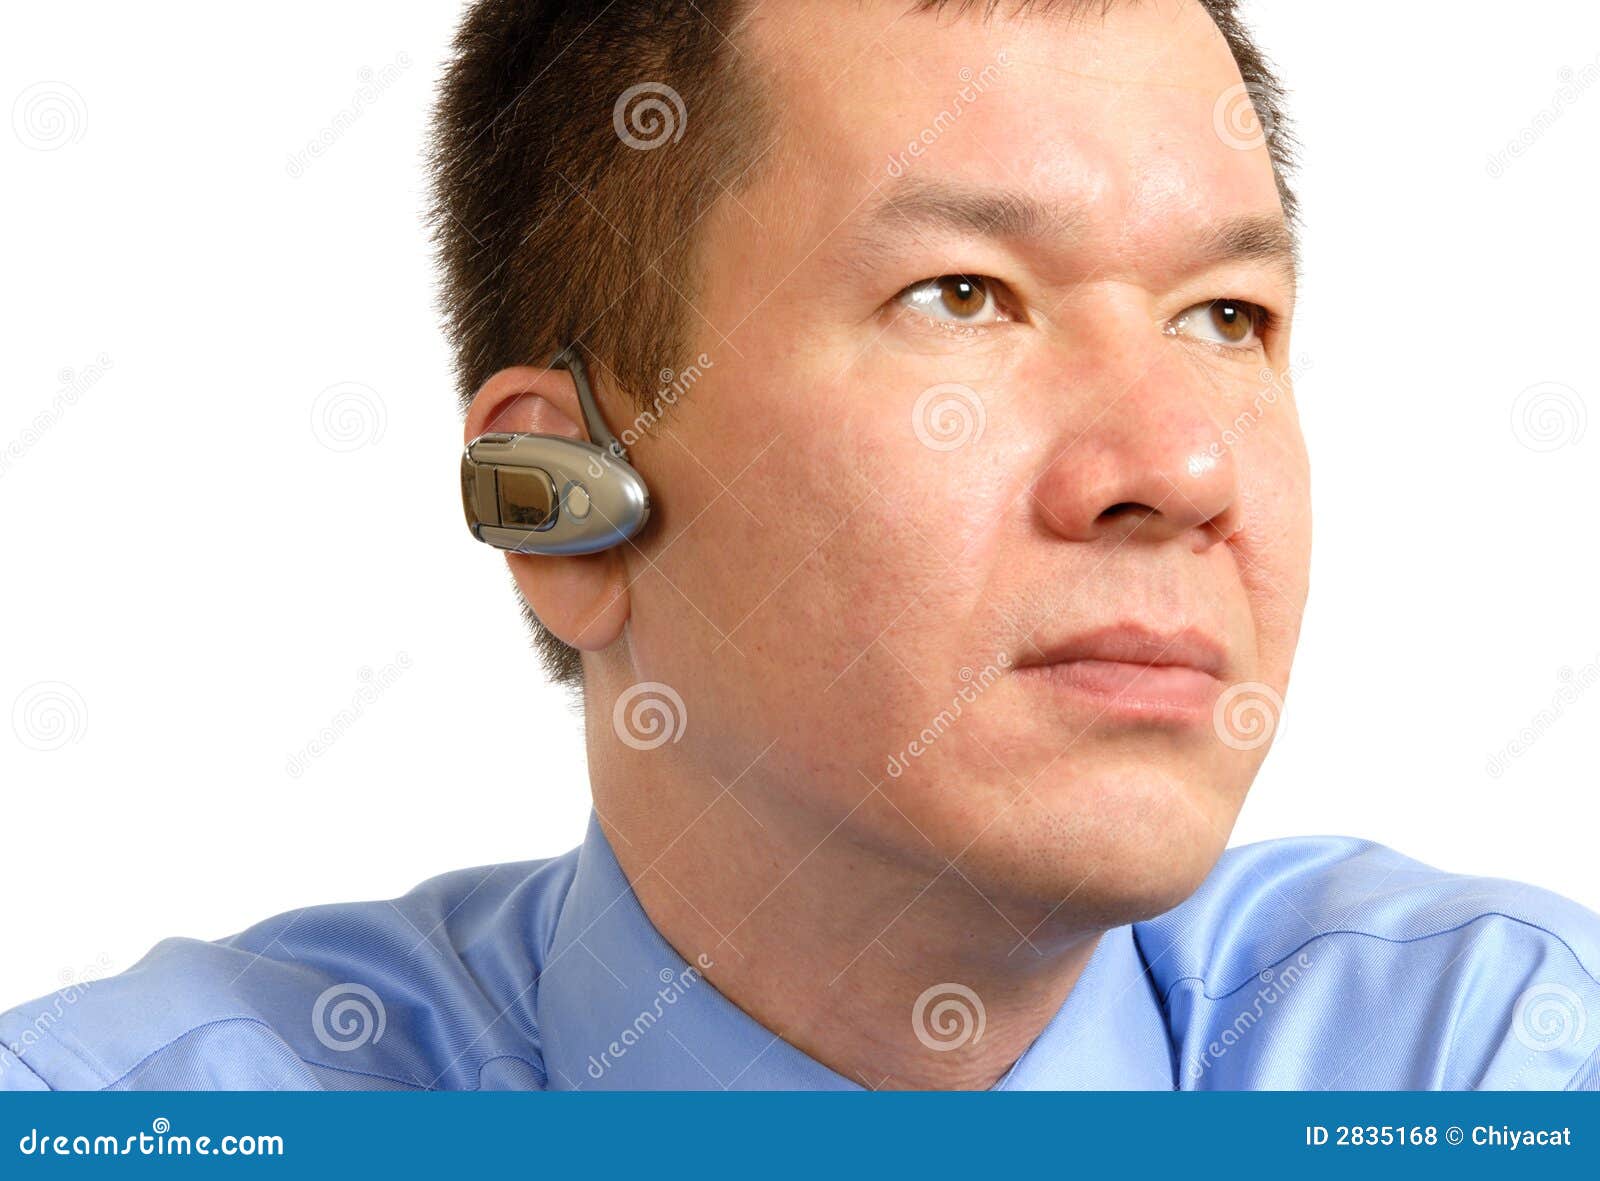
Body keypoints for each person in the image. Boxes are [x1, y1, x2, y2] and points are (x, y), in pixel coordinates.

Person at [5, 0, 1597, 1091]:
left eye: (1225, 316)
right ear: (560, 490)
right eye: (964, 295)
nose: (1180, 463)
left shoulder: (1502, 1059)